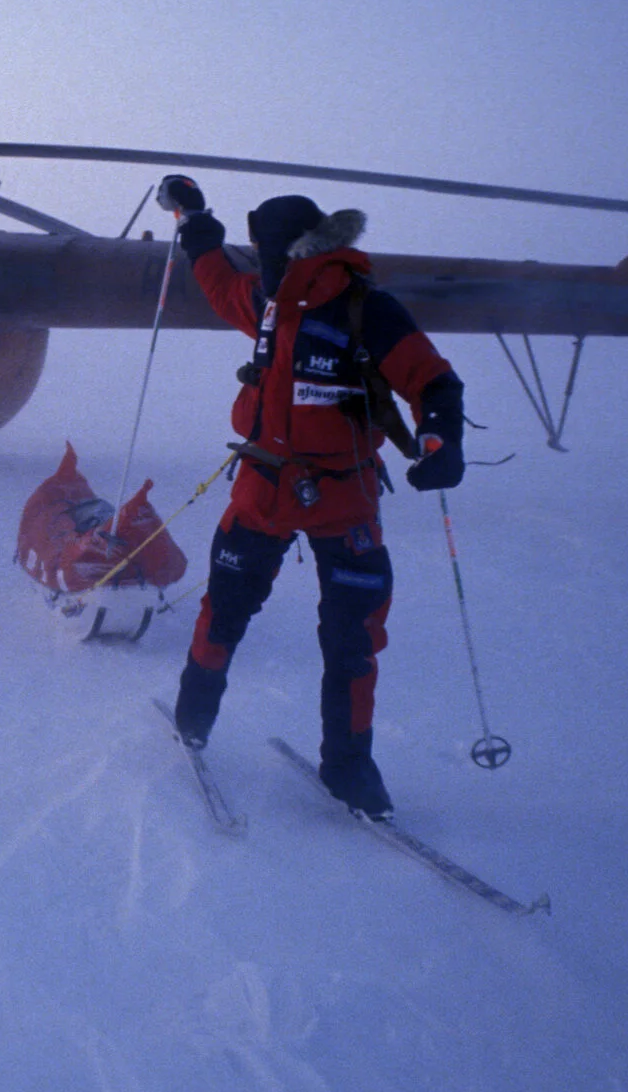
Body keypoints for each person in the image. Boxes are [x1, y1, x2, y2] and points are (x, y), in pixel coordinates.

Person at [159, 176, 467, 818]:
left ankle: (350, 766)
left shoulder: (367, 311)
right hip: (264, 487)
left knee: (353, 638)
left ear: (294, 249)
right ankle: (193, 718)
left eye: (263, 251)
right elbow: (216, 278)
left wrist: (440, 439)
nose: (260, 264)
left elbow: (432, 379)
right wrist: (193, 218)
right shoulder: (266, 303)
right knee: (225, 609)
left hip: (344, 499)